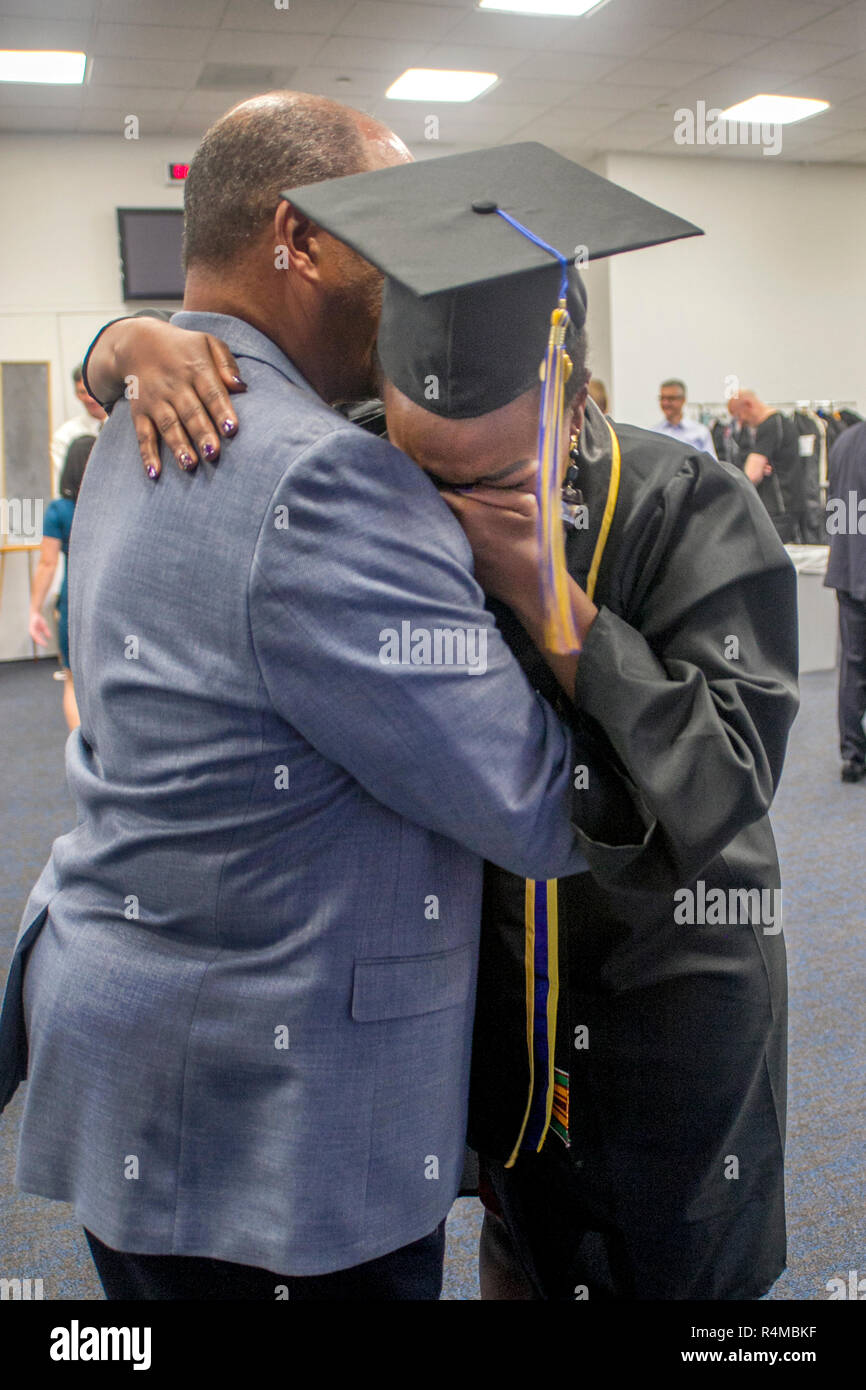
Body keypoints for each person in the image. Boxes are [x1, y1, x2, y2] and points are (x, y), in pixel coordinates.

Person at [92, 143, 799, 1301]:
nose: (453, 524)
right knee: (515, 1253)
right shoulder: (371, 461)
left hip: (658, 1002)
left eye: (493, 488)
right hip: (480, 1005)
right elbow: (218, 376)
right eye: (431, 486)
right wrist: (123, 342)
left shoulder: (689, 508)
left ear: (567, 393)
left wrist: (550, 601)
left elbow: (723, 782)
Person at [0, 101, 649, 1303]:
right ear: (297, 236)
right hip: (272, 1138)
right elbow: (529, 805)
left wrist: (120, 340)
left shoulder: (143, 406)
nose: (416, 270)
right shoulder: (328, 479)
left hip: (135, 1057)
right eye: (387, 229)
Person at [28, 435, 94, 730]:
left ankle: (82, 759)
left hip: (73, 600)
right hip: (110, 600)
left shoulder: (59, 510)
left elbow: (47, 563)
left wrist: (34, 610)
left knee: (72, 681)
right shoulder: (113, 503)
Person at [824, 420, 866, 783]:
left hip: (847, 566)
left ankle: (853, 755)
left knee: (852, 667)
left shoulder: (843, 442)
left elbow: (834, 505)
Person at [729, 390, 806, 543]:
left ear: (748, 405)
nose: (740, 422)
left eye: (739, 415)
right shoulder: (779, 423)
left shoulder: (770, 425)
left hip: (779, 509)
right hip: (783, 507)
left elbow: (751, 475)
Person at [49, 364, 105, 494]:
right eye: (83, 392)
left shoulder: (127, 428)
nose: (90, 399)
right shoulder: (64, 435)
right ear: (76, 395)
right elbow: (62, 485)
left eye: (93, 391)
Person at [652, 378, 717, 458]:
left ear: (683, 400)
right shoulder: (654, 433)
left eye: (670, 399)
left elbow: (711, 463)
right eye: (662, 398)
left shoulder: (700, 432)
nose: (665, 403)